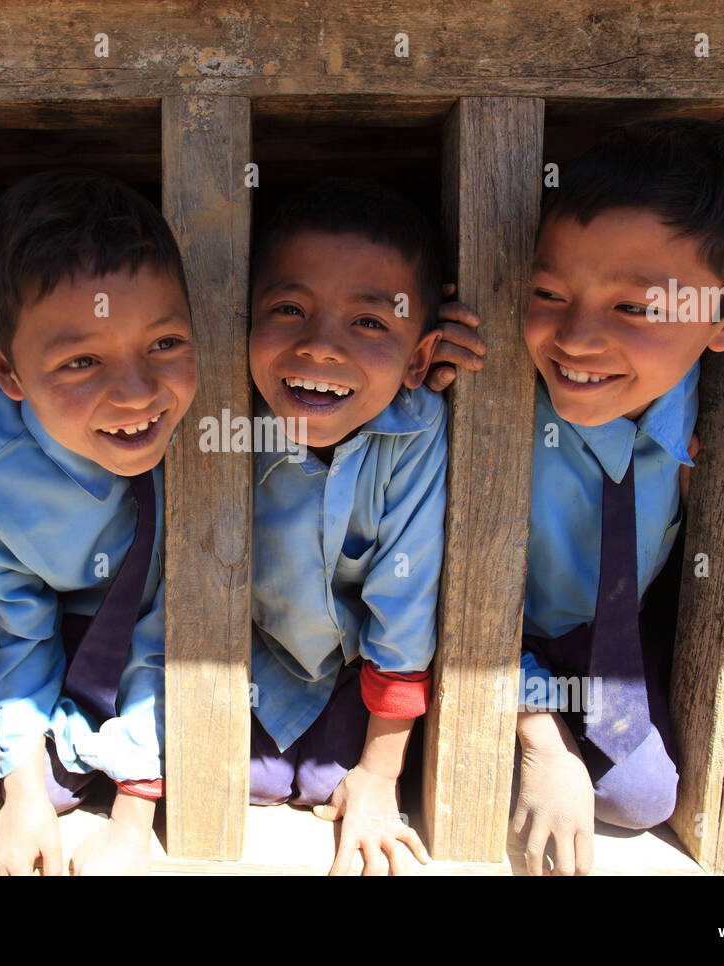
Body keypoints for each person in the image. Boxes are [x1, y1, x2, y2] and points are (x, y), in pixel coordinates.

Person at [429, 118, 724, 874]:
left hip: (608, 637)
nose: (576, 339)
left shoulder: (700, 405)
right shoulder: (487, 395)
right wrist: (539, 736)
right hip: (473, 630)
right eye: (549, 292)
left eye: (637, 308)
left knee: (644, 796)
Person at [0, 170, 197, 875]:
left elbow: (167, 627)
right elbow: (22, 630)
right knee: (50, 787)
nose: (139, 393)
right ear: (5, 370)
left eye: (166, 344)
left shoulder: (212, 434)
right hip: (72, 634)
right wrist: (18, 795)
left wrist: (133, 816)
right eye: (82, 360)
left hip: (171, 639)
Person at [246, 177, 481, 875]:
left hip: (351, 665)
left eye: (371, 322)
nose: (320, 348)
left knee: (329, 783)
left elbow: (403, 610)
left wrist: (380, 778)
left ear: (419, 357)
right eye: (288, 309)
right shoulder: (221, 408)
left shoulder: (415, 434)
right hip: (242, 653)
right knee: (257, 782)